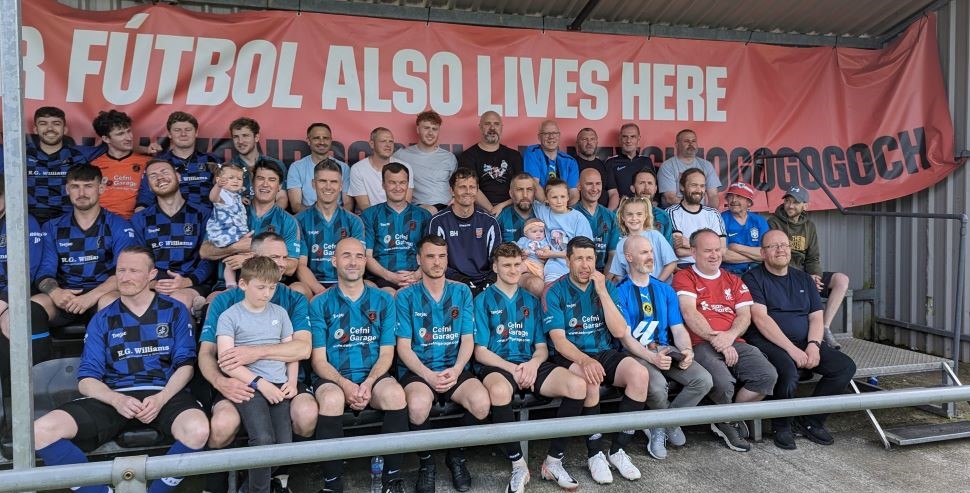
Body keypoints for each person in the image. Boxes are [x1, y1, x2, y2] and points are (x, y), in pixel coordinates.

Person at [31, 246, 209, 493]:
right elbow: (86, 379)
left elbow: (185, 366)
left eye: (134, 270)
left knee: (198, 429)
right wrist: (116, 399)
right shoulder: (103, 317)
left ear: (151, 275)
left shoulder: (174, 310)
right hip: (114, 396)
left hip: (162, 392)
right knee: (40, 431)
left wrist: (160, 399)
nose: (125, 277)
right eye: (121, 270)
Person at [197, 233, 315, 493]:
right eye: (274, 257)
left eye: (285, 257)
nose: (282, 264)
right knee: (229, 426)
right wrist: (220, 381)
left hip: (278, 379)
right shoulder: (226, 304)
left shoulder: (289, 301)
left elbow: (302, 348)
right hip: (241, 381)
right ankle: (218, 486)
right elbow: (209, 354)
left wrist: (255, 353)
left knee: (294, 427)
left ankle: (269, 481)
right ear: (252, 260)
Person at [473, 242, 587, 492]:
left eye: (517, 264)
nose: (513, 270)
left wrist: (533, 365)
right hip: (499, 365)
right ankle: (518, 465)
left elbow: (542, 348)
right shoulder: (482, 300)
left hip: (530, 363)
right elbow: (480, 351)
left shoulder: (531, 300)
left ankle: (554, 462)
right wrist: (513, 369)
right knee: (500, 391)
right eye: (507, 265)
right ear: (495, 267)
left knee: (578, 386)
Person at [544, 236, 648, 484]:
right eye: (579, 258)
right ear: (568, 261)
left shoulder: (606, 287)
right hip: (570, 354)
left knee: (640, 375)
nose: (585, 265)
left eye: (589, 258)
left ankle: (618, 449)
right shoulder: (555, 290)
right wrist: (584, 361)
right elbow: (559, 341)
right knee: (589, 379)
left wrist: (602, 291)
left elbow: (620, 331)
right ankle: (595, 454)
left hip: (602, 350)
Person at [309, 238, 409, 493]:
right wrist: (345, 384)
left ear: (366, 261)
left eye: (359, 256)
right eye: (346, 256)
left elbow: (387, 353)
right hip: (334, 377)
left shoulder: (383, 300)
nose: (353, 261)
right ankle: (333, 485)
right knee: (331, 399)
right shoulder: (319, 303)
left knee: (395, 395)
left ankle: (391, 481)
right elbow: (318, 360)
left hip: (372, 377)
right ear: (334, 261)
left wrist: (367, 383)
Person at [743, 230, 857, 449]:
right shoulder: (753, 278)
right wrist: (792, 350)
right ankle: (782, 426)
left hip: (805, 340)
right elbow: (761, 319)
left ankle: (812, 421)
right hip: (769, 340)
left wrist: (814, 346)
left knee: (844, 367)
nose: (780, 250)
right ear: (763, 253)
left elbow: (816, 317)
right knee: (787, 370)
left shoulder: (803, 278)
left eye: (784, 245)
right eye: (773, 246)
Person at [396, 235, 491, 493]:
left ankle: (456, 455)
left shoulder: (461, 291)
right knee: (417, 406)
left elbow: (468, 340)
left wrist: (458, 369)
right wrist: (427, 375)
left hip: (453, 366)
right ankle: (427, 462)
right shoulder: (405, 297)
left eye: (442, 256)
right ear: (419, 259)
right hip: (419, 369)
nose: (437, 262)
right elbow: (403, 348)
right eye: (430, 256)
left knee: (482, 404)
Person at [672, 229, 777, 453]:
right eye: (707, 250)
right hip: (699, 342)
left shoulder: (733, 279)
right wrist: (714, 337)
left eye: (718, 250)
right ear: (693, 252)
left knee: (767, 375)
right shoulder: (684, 276)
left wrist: (728, 338)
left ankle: (727, 417)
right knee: (722, 381)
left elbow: (745, 316)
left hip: (733, 339)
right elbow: (689, 313)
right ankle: (727, 420)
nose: (714, 255)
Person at [614, 235, 712, 460]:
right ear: (628, 257)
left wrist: (687, 350)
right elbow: (626, 339)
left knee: (703, 380)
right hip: (635, 353)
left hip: (665, 349)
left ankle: (666, 422)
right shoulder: (619, 291)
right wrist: (651, 357)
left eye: (651, 252)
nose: (651, 257)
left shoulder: (664, 289)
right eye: (644, 253)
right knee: (657, 386)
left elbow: (677, 329)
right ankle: (659, 428)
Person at [216, 256, 298, 493]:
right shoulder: (230, 316)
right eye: (261, 287)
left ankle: (248, 486)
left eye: (272, 287)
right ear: (243, 284)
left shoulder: (280, 313)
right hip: (249, 386)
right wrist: (260, 383)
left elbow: (290, 352)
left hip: (279, 384)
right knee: (262, 439)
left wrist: (291, 381)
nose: (267, 293)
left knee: (283, 445)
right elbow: (227, 362)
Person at [33, 164, 136, 340]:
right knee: (31, 309)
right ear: (67, 189)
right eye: (75, 186)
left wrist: (90, 297)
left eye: (88, 186)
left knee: (111, 303)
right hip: (66, 297)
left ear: (101, 188)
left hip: (103, 294)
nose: (81, 193)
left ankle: (106, 366)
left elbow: (126, 272)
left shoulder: (119, 225)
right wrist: (55, 292)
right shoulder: (52, 227)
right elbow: (44, 271)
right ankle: (39, 367)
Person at [201, 160, 302, 300]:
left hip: (270, 286)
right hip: (229, 285)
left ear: (279, 186)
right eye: (260, 178)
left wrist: (252, 259)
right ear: (252, 183)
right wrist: (234, 247)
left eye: (272, 180)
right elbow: (204, 251)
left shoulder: (288, 221)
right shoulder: (232, 208)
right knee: (212, 303)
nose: (265, 184)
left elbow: (291, 266)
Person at [768, 186, 850, 349]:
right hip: (786, 274)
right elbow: (776, 255)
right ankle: (811, 335)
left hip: (805, 273)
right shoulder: (773, 223)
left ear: (805, 206)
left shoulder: (809, 226)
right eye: (787, 201)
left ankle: (824, 329)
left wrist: (815, 276)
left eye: (795, 202)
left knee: (842, 280)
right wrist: (806, 278)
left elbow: (813, 257)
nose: (790, 206)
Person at [131, 159, 215, 312]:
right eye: (153, 176)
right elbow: (136, 261)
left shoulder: (203, 214)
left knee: (177, 302)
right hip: (152, 285)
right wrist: (153, 284)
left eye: (164, 172)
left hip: (192, 284)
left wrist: (187, 281)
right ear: (149, 186)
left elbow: (209, 259)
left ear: (178, 177)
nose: (160, 177)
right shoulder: (140, 219)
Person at [0, 178, 50, 395]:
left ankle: (17, 399)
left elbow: (25, 273)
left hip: (14, 295)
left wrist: (3, 303)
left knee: (14, 320)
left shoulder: (23, 222)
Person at [295, 159, 365, 297]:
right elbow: (300, 265)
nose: (328, 187)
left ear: (341, 186)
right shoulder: (299, 220)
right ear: (313, 184)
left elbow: (356, 262)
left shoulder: (354, 221)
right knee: (297, 290)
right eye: (322, 181)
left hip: (345, 283)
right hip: (312, 284)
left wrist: (340, 291)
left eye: (333, 182)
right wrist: (321, 292)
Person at [428, 168, 500, 295]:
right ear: (452, 191)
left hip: (485, 282)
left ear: (477, 190)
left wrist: (488, 282)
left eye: (472, 187)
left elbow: (498, 259)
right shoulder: (438, 222)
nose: (468, 192)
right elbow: (435, 261)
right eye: (462, 187)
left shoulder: (489, 222)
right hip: (452, 282)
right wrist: (462, 281)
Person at [361, 162, 431, 293]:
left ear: (408, 184)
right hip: (382, 279)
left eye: (402, 182)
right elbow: (367, 256)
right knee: (390, 295)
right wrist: (390, 276)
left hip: (416, 278)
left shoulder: (423, 215)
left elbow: (430, 254)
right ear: (383, 184)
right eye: (392, 182)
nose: (398, 187)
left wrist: (416, 275)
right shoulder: (370, 215)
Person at [136, 111, 220, 209]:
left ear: (196, 133)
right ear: (170, 134)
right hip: (172, 221)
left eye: (188, 129)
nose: (183, 134)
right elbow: (145, 198)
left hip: (208, 220)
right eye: (177, 130)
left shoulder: (212, 160)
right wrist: (138, 217)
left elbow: (227, 193)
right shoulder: (159, 163)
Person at [667, 169, 745, 267]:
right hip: (685, 267)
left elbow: (723, 250)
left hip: (711, 266)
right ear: (682, 187)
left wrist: (689, 244)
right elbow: (679, 251)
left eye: (702, 186)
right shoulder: (672, 212)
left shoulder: (713, 213)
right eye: (694, 185)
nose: (698, 190)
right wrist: (711, 250)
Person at [26, 106, 90, 222]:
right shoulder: (22, 156)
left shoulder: (77, 158)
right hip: (29, 219)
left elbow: (85, 191)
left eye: (56, 123)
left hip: (65, 219)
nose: (50, 128)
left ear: (65, 129)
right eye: (43, 123)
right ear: (35, 129)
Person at [457, 111, 523, 213]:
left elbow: (521, 188)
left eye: (496, 124)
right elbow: (470, 188)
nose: (492, 128)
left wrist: (501, 206)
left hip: (510, 208)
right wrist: (491, 210)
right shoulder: (468, 156)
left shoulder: (514, 155)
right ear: (480, 127)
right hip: (479, 209)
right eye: (487, 124)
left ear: (501, 127)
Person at [89, 109, 150, 219]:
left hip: (136, 223)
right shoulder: (94, 165)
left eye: (129, 131)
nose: (129, 137)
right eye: (121, 134)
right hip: (101, 223)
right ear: (106, 139)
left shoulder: (147, 162)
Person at [393, 110, 457, 212]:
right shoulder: (402, 155)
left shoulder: (449, 157)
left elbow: (456, 184)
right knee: (429, 211)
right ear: (418, 129)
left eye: (434, 129)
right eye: (426, 128)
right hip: (419, 208)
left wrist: (455, 199)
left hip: (448, 207)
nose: (430, 133)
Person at [287, 123, 352, 213]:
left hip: (338, 220)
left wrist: (333, 219)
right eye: (316, 138)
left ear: (330, 141)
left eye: (325, 138)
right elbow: (296, 206)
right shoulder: (296, 167)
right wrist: (320, 218)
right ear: (309, 141)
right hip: (308, 220)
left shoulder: (343, 167)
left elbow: (348, 204)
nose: (321, 142)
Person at [608, 197, 677, 283]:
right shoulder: (621, 243)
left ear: (645, 216)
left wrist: (656, 284)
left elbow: (671, 263)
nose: (634, 218)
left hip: (660, 289)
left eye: (639, 214)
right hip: (636, 292)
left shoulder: (655, 236)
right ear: (623, 217)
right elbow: (619, 275)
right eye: (629, 214)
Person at [227, 117, 288, 209]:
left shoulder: (275, 164)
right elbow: (222, 199)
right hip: (238, 221)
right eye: (236, 137)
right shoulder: (227, 168)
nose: (240, 141)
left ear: (256, 137)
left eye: (245, 136)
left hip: (269, 220)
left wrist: (268, 217)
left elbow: (282, 198)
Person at [206, 162, 250, 288]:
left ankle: (241, 281)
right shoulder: (221, 193)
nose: (236, 181)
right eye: (231, 178)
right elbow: (213, 198)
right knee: (231, 260)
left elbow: (233, 201)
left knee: (241, 256)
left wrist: (241, 200)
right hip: (226, 232)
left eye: (239, 178)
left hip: (236, 230)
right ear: (219, 180)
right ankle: (230, 284)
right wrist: (218, 187)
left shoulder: (235, 196)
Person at [349, 127, 413, 211]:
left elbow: (406, 201)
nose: (388, 145)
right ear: (372, 144)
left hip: (399, 216)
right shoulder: (357, 169)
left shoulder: (405, 167)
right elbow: (364, 205)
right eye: (383, 141)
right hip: (372, 218)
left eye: (391, 141)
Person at [657, 129, 720, 208]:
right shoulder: (667, 166)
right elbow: (670, 198)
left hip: (699, 213)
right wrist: (693, 210)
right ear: (677, 144)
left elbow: (713, 196)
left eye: (693, 141)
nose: (691, 144)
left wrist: (711, 214)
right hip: (674, 214)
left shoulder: (707, 165)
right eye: (686, 141)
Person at [574, 168, 620, 274]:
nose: (594, 188)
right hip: (577, 272)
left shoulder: (610, 216)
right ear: (579, 186)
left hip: (604, 272)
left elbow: (613, 256)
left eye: (598, 184)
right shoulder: (571, 214)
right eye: (589, 184)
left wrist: (604, 282)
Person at [523, 120, 579, 204]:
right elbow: (533, 183)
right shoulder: (532, 152)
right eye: (546, 133)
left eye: (554, 133)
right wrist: (549, 206)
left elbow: (573, 192)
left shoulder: (570, 161)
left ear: (559, 136)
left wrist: (564, 209)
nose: (551, 137)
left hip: (562, 207)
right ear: (539, 137)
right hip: (540, 204)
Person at [721, 182, 770, 275]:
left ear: (749, 202)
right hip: (730, 272)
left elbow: (767, 252)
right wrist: (756, 257)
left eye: (739, 196)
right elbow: (723, 255)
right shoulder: (720, 219)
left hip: (758, 271)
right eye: (730, 196)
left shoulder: (759, 220)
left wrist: (736, 247)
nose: (734, 200)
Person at [605, 123, 655, 202]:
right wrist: (612, 213)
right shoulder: (611, 162)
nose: (628, 141)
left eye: (633, 137)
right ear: (620, 139)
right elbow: (613, 194)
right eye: (625, 137)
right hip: (622, 210)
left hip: (645, 208)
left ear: (638, 139)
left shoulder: (646, 161)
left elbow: (653, 190)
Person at [571, 127, 618, 209]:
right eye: (584, 139)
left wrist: (608, 214)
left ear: (596, 142)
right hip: (578, 214)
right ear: (577, 143)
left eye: (592, 139)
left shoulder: (604, 165)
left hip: (603, 214)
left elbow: (613, 193)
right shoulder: (570, 164)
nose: (589, 142)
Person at [631, 168, 674, 246]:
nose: (646, 188)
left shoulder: (663, 216)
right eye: (642, 183)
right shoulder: (620, 214)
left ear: (655, 189)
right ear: (633, 188)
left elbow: (668, 250)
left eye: (650, 183)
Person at [495, 173, 538, 243]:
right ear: (511, 193)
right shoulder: (501, 217)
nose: (525, 195)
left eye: (529, 189)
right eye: (520, 189)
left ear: (535, 193)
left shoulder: (543, 214)